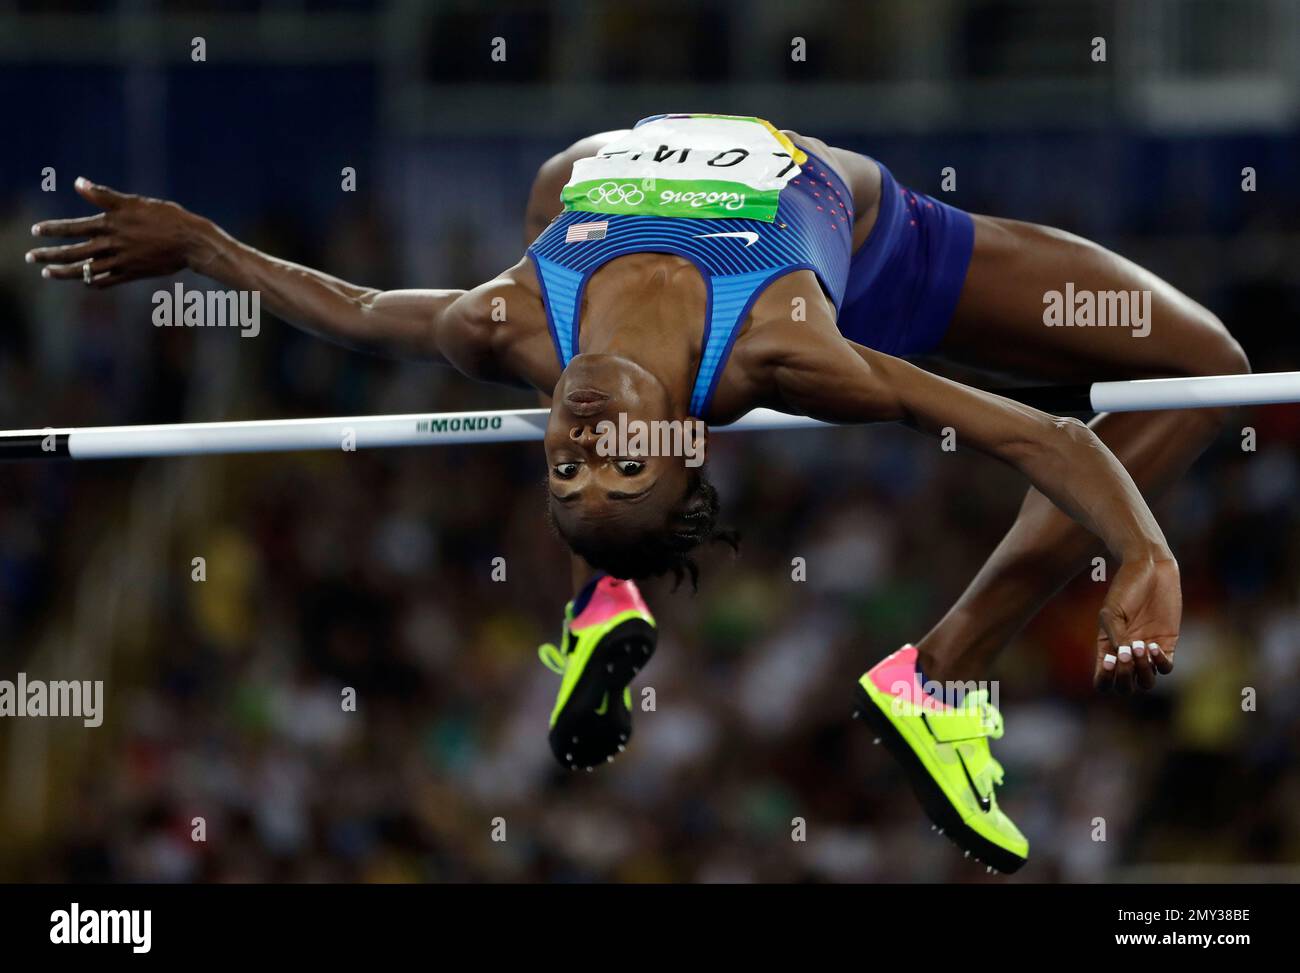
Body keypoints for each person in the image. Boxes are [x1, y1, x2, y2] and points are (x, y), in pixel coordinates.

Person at [27, 113, 1246, 873]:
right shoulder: (782, 351)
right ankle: (941, 669)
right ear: (696, 443)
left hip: (641, 225)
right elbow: (1039, 435)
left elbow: (346, 309)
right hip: (887, 253)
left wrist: (199, 244)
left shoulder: (506, 325)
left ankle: (600, 600)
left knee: (538, 326)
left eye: (563, 463)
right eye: (620, 463)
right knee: (1208, 374)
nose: (584, 437)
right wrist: (1146, 554)